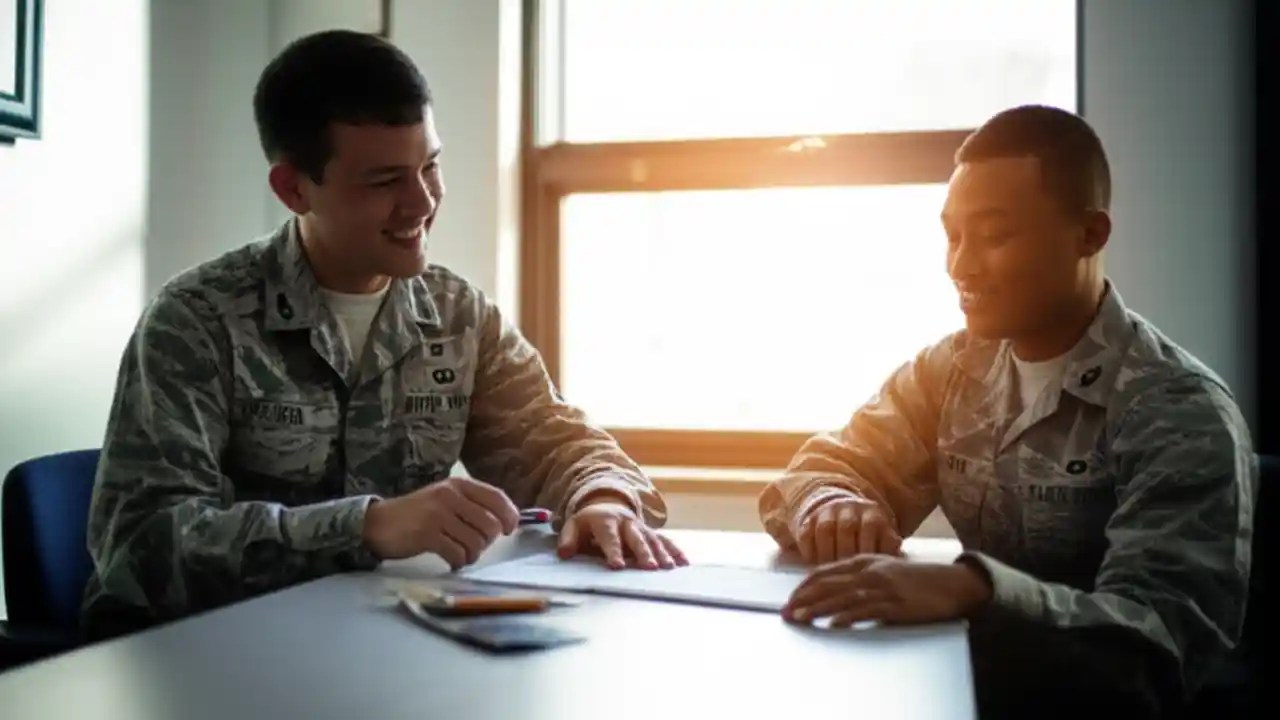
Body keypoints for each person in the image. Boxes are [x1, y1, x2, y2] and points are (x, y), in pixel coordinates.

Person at [83, 30, 685, 639]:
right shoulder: (197, 320)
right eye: (384, 181)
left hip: (384, 644)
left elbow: (557, 443)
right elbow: (141, 549)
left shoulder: (457, 316)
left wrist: (601, 499)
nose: (421, 202)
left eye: (430, 166)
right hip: (214, 658)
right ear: (294, 189)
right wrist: (365, 527)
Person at [758, 105, 1255, 716]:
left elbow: (1156, 647)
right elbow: (821, 467)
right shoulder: (952, 369)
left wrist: (975, 590)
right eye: (952, 235)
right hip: (970, 689)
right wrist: (831, 501)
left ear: (1090, 235)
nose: (960, 265)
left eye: (994, 237)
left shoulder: (1176, 410)